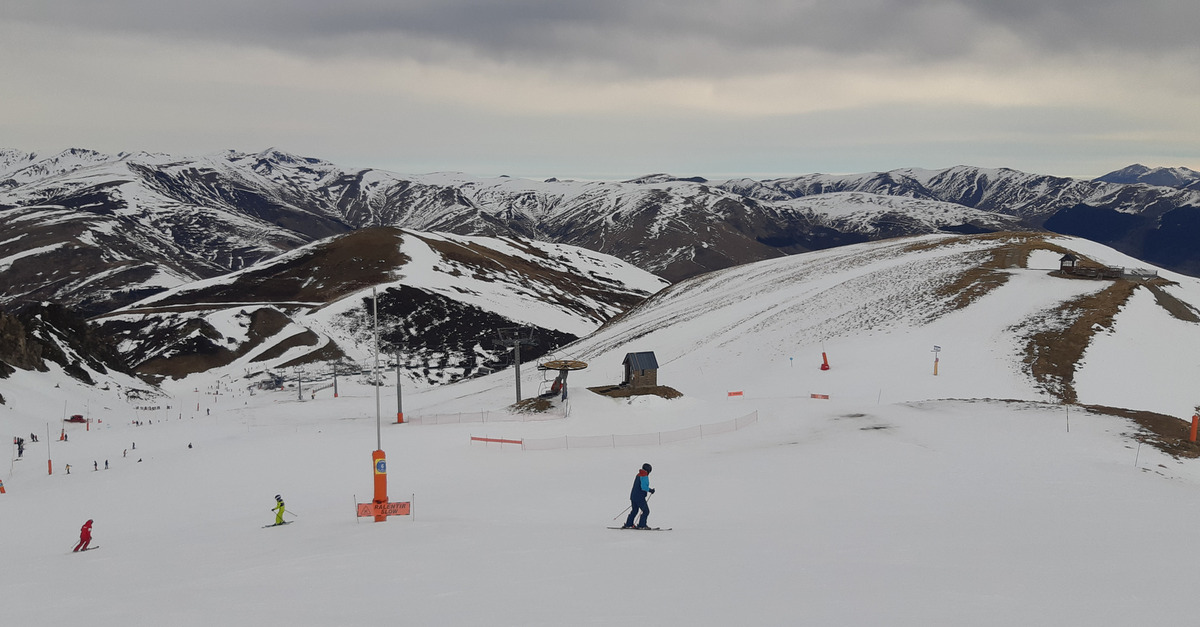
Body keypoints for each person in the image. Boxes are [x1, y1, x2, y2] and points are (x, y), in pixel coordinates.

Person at [623, 463, 656, 529]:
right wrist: (651, 490)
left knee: (634, 510)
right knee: (646, 511)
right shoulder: (644, 476)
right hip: (639, 497)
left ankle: (628, 524)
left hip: (633, 496)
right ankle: (642, 525)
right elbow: (643, 487)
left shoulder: (638, 474)